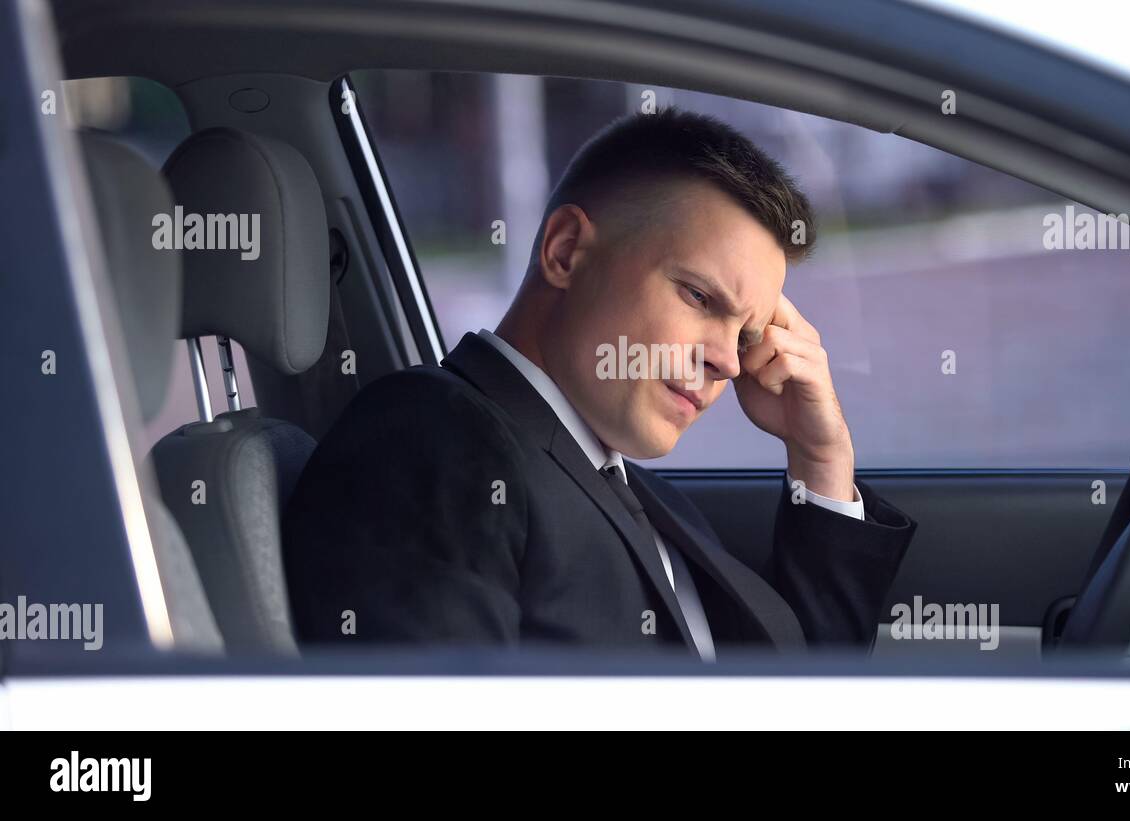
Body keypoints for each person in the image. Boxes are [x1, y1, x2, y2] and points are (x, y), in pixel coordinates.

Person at [282, 107, 917, 659]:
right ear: (564, 252)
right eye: (700, 296)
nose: (729, 361)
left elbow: (803, 689)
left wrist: (820, 457)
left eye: (748, 336)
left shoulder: (632, 489)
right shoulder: (431, 441)